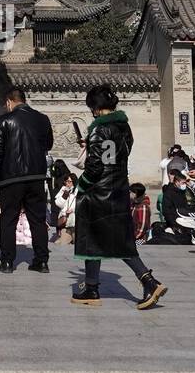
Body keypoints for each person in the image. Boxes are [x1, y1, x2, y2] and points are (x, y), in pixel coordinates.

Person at [69, 84, 166, 310]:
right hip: (118, 189)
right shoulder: (124, 127)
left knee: (109, 241)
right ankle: (91, 286)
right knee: (104, 240)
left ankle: (149, 281)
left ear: (96, 108)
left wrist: (81, 186)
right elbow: (116, 154)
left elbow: (95, 167)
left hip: (98, 192)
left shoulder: (99, 129)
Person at [0, 88, 54, 274]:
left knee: (9, 218)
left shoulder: (4, 121)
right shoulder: (42, 119)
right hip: (36, 176)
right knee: (38, 220)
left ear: (9, 102)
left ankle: (7, 261)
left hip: (11, 178)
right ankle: (41, 261)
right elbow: (48, 144)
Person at [53, 172, 78, 244]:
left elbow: (80, 204)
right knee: (60, 242)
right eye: (66, 181)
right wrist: (65, 195)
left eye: (69, 181)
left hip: (74, 221)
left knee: (75, 241)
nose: (67, 183)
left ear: (74, 182)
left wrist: (72, 210)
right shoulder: (63, 189)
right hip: (65, 221)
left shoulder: (77, 191)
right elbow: (58, 204)